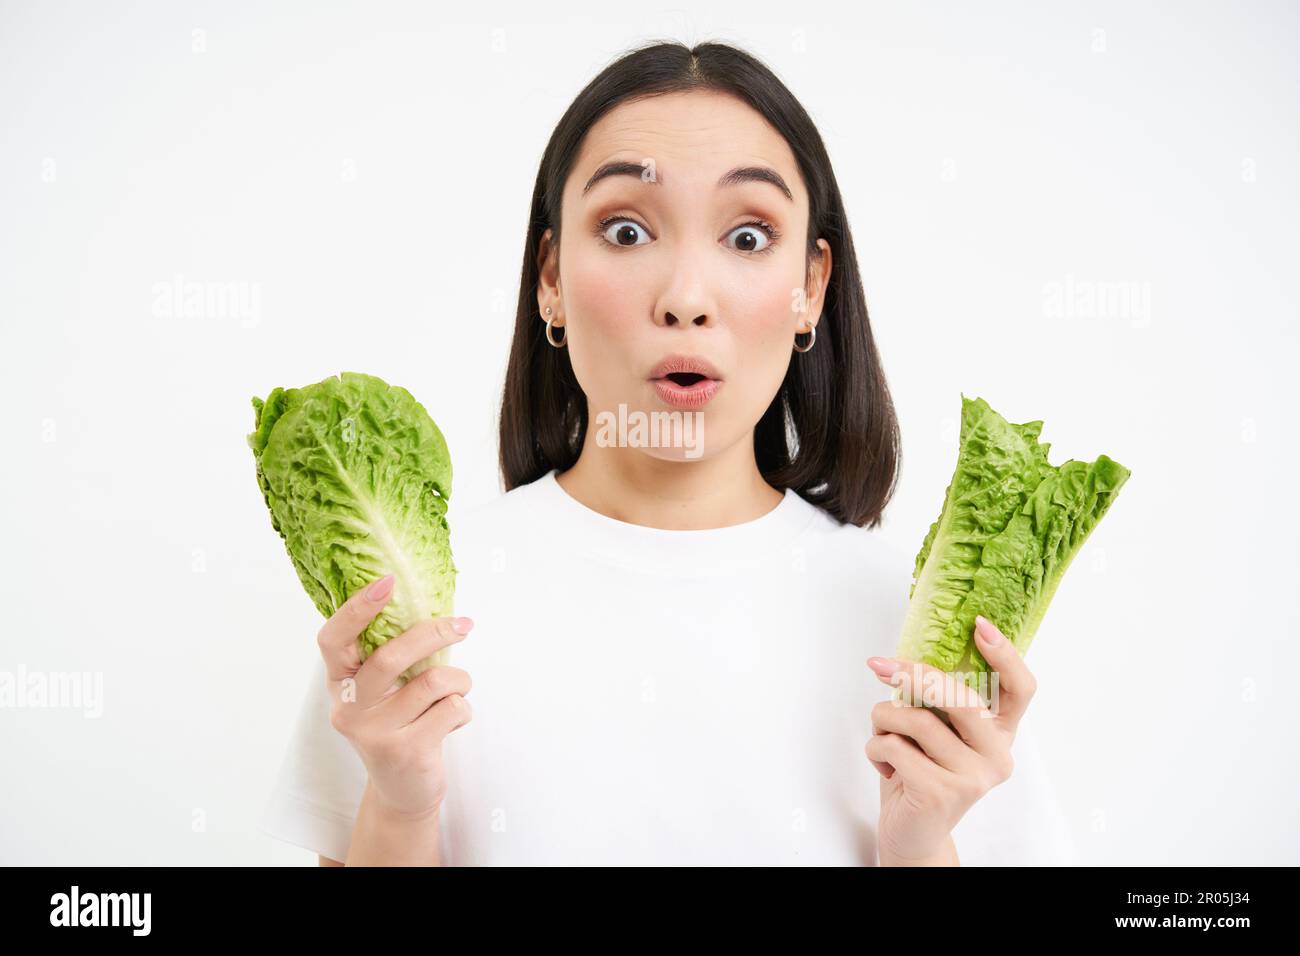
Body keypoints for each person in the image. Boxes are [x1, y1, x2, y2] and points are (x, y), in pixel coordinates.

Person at [259, 40, 1077, 866]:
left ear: (812, 291)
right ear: (551, 278)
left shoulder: (908, 634)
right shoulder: (411, 621)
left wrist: (920, 846)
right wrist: (401, 811)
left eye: (749, 238)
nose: (686, 298)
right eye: (625, 229)